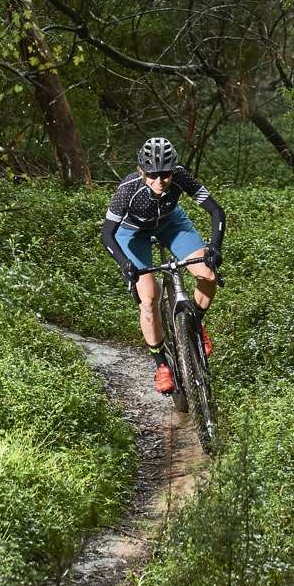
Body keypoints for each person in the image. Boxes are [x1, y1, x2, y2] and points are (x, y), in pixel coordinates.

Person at [99, 136, 225, 394]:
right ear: (141, 171)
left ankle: (193, 326)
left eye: (165, 175)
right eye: (152, 175)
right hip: (132, 233)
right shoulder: (128, 189)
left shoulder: (180, 176)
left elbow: (216, 211)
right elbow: (107, 234)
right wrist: (125, 264)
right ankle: (161, 365)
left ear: (172, 170)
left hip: (171, 223)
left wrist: (214, 247)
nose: (159, 181)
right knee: (148, 298)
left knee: (208, 276)